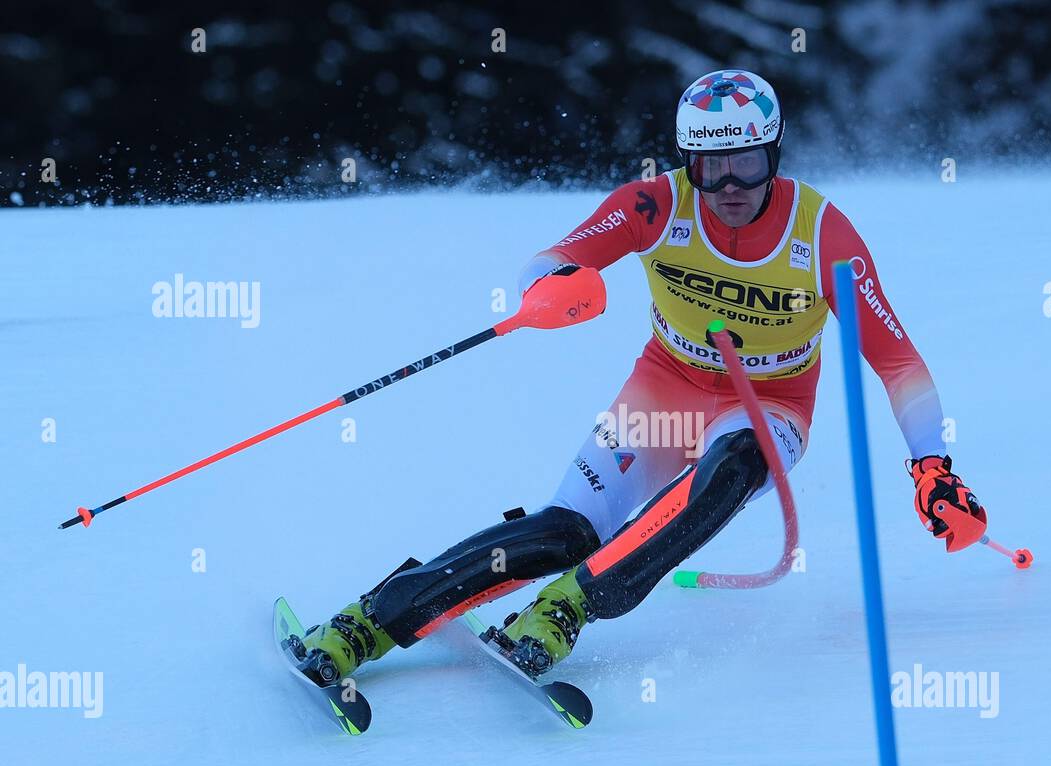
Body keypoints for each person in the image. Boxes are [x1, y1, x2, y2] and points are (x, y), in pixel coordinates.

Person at [294, 68, 985, 685]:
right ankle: (367, 622)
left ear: (773, 153)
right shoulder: (658, 205)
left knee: (738, 463)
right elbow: (553, 257)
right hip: (667, 387)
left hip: (768, 402)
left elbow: (896, 358)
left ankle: (565, 610)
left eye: (747, 163)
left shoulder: (823, 233)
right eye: (710, 168)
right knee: (567, 533)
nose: (729, 188)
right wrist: (555, 286)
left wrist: (931, 466)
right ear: (688, 162)